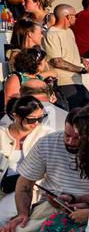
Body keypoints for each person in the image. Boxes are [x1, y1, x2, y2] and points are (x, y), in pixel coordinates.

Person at [0, 96, 53, 224]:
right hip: (3, 187)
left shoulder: (47, 134)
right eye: (31, 120)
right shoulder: (1, 134)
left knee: (1, 217)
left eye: (41, 118)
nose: (37, 123)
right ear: (16, 116)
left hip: (30, 189)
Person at [42, 4, 89, 110]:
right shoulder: (51, 34)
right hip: (63, 82)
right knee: (75, 112)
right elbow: (56, 61)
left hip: (76, 80)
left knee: (87, 108)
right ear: (68, 17)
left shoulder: (69, 31)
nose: (76, 18)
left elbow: (68, 52)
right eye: (74, 16)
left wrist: (81, 59)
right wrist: (82, 70)